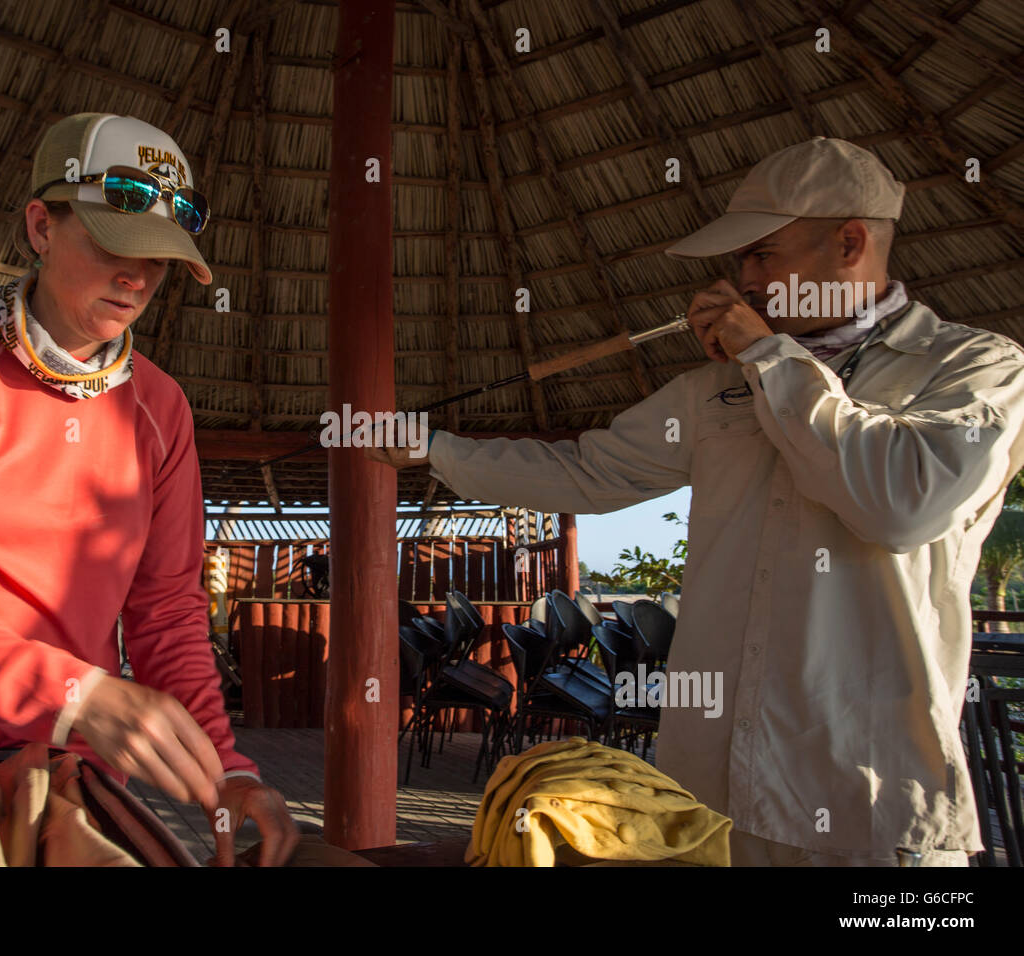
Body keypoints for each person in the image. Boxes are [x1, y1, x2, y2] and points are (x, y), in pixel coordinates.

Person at [368, 137, 1024, 866]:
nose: (744, 281)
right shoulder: (717, 390)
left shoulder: (975, 366)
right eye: (740, 262)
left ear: (850, 242)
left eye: (762, 256)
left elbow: (900, 505)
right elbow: (588, 472)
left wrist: (773, 359)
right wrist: (436, 451)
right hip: (711, 794)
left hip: (867, 798)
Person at [0, 112, 298, 867]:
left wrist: (227, 767)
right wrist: (77, 695)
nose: (138, 277)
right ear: (41, 224)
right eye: (112, 243)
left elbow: (166, 610)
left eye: (161, 259)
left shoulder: (162, 409)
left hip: (64, 772)